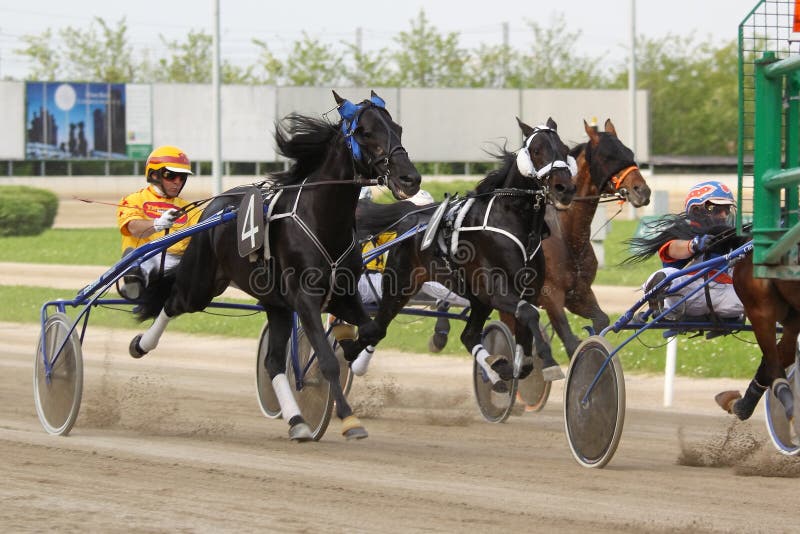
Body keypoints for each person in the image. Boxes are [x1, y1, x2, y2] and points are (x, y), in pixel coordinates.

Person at [638, 180, 744, 319]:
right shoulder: (680, 232)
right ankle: (664, 305)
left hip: (724, 295)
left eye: (727, 209)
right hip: (687, 294)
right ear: (696, 210)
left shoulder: (730, 236)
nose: (724, 215)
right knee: (666, 274)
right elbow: (673, 248)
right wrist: (694, 245)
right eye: (716, 209)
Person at [117, 145, 200, 299]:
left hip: (179, 264)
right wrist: (158, 224)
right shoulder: (133, 200)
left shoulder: (190, 209)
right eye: (171, 175)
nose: (177, 182)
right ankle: (134, 281)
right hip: (146, 258)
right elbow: (133, 227)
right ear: (154, 175)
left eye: (182, 177)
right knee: (139, 256)